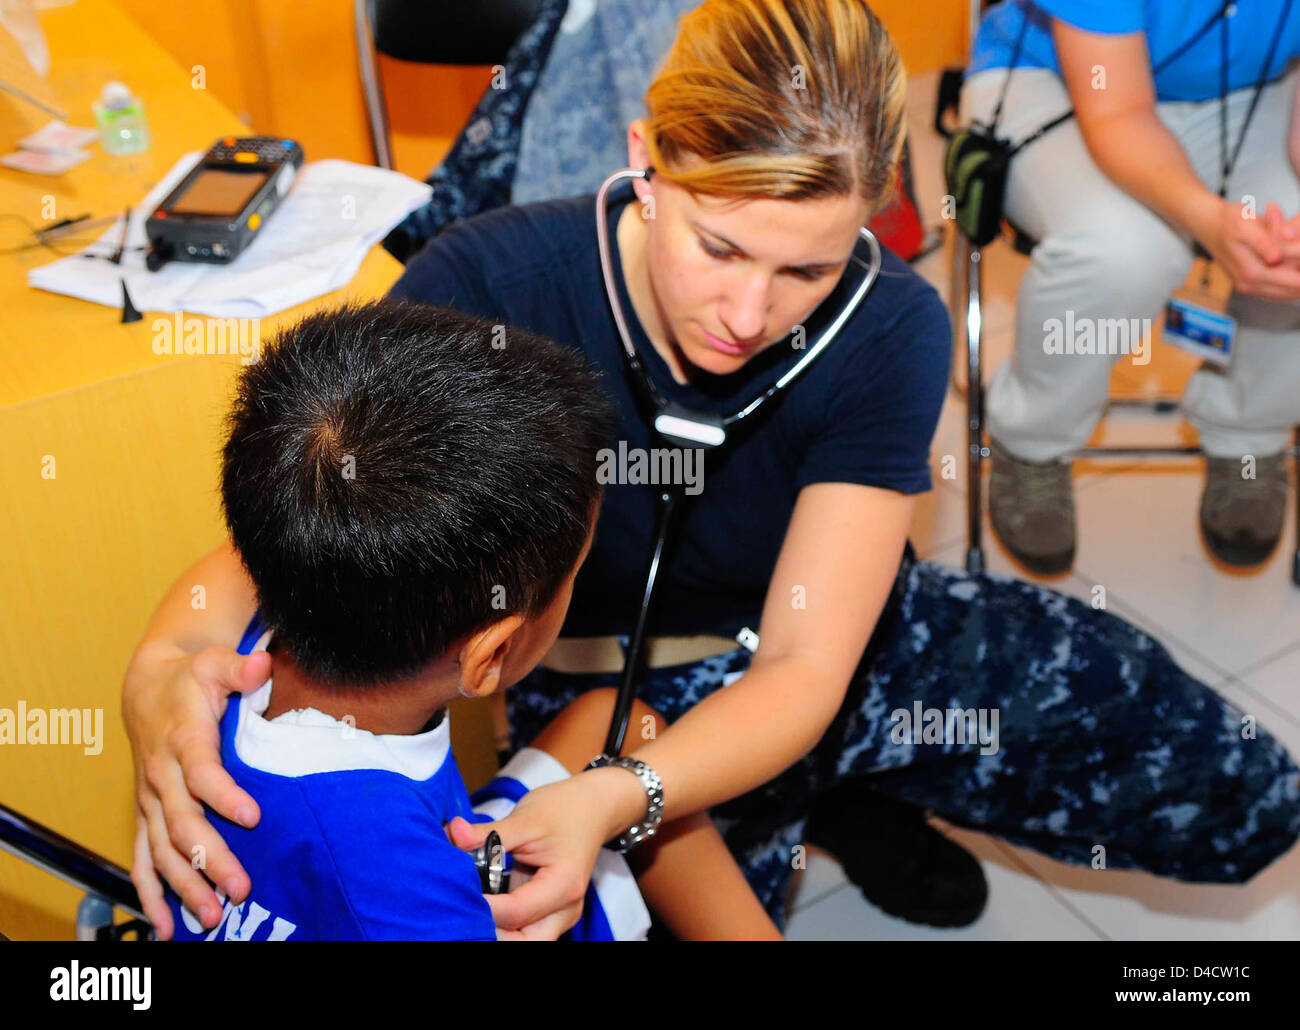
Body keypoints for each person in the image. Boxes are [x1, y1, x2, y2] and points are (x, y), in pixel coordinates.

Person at [123, 0, 1300, 939]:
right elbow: (296, 536)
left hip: (804, 643)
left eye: (806, 271)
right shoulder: (486, 283)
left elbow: (801, 661)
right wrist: (162, 666)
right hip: (575, 683)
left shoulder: (890, 328)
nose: (745, 313)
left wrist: (628, 793)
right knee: (681, 887)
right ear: (647, 163)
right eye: (718, 244)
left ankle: (852, 781)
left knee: (1231, 788)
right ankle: (809, 798)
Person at [160, 300, 780, 941]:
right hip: (421, 889)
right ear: (490, 656)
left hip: (391, 860)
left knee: (616, 722)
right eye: (576, 575)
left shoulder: (249, 649)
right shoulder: (394, 883)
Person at [962, 0, 1300, 574]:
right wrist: (1207, 219)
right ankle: (1034, 439)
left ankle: (1251, 430)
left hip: (1257, 86)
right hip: (1059, 80)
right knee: (1124, 249)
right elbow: (1118, 111)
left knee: (1291, 234)